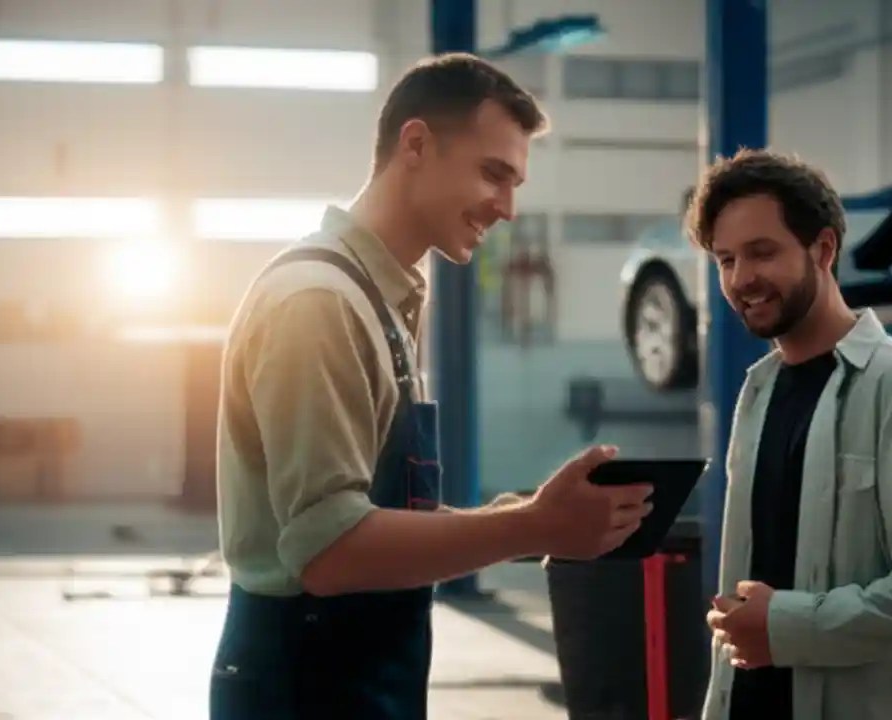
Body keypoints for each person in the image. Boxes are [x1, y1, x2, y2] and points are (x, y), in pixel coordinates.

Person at [209, 53, 654, 720]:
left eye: (515, 184)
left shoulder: (378, 301)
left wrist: (521, 520)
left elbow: (380, 522)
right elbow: (329, 551)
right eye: (492, 174)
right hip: (301, 687)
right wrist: (528, 526)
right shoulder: (317, 303)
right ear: (416, 144)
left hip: (356, 679)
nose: (506, 209)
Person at [692, 149, 892, 720]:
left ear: (823, 250)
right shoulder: (758, 392)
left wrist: (786, 625)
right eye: (725, 260)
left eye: (761, 252)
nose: (740, 279)